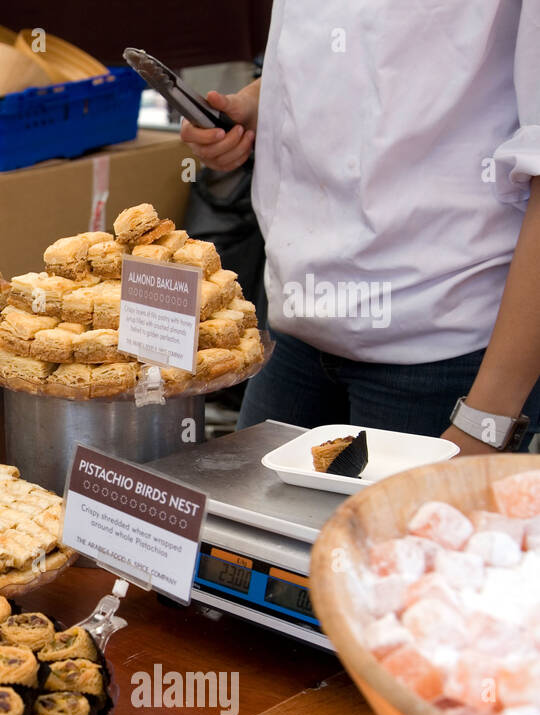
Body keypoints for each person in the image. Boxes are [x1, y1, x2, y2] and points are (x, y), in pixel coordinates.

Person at [180, 2, 540, 454]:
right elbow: (359, 48)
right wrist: (262, 102)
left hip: (441, 345)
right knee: (245, 520)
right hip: (295, 325)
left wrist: (487, 420)